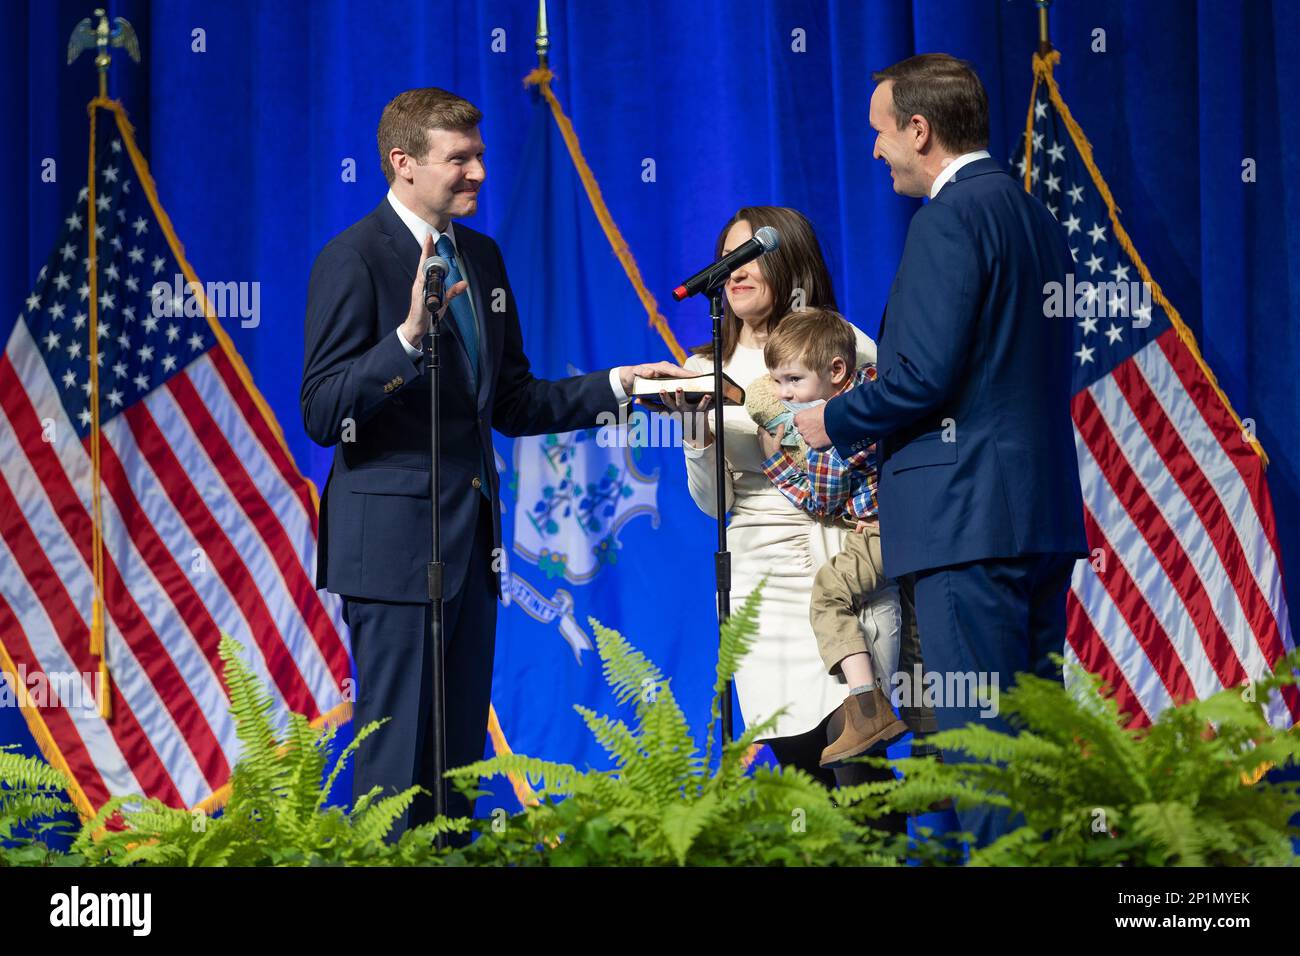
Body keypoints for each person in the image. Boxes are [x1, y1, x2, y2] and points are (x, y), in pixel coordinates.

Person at [300, 88, 689, 838]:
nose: (479, 171)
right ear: (403, 164)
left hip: (470, 549)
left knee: (456, 766)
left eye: (480, 155)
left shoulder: (480, 256)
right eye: (460, 158)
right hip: (389, 555)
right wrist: (408, 339)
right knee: (396, 766)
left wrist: (623, 388)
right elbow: (323, 413)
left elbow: (513, 401)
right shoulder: (352, 258)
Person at [795, 54, 1087, 848]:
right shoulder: (1034, 217)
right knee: (1032, 751)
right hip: (1038, 518)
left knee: (982, 751)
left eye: (880, 133)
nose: (876, 151)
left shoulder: (949, 219)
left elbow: (922, 377)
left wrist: (834, 417)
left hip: (966, 525)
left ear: (919, 129)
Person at [660, 206, 929, 818]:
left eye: (750, 253)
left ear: (791, 263)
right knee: (802, 772)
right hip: (759, 576)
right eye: (726, 257)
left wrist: (885, 506)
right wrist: (698, 438)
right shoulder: (703, 370)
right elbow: (712, 503)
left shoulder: (841, 342)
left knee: (861, 763)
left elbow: (899, 431)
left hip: (842, 556)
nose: (735, 270)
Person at [754, 309, 919, 767]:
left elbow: (822, 503)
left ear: (836, 372)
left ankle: (866, 708)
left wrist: (776, 461)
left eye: (792, 381)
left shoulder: (837, 424)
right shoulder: (873, 386)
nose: (784, 396)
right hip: (913, 525)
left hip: (885, 533)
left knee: (828, 594)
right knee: (919, 631)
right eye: (776, 384)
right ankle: (934, 744)